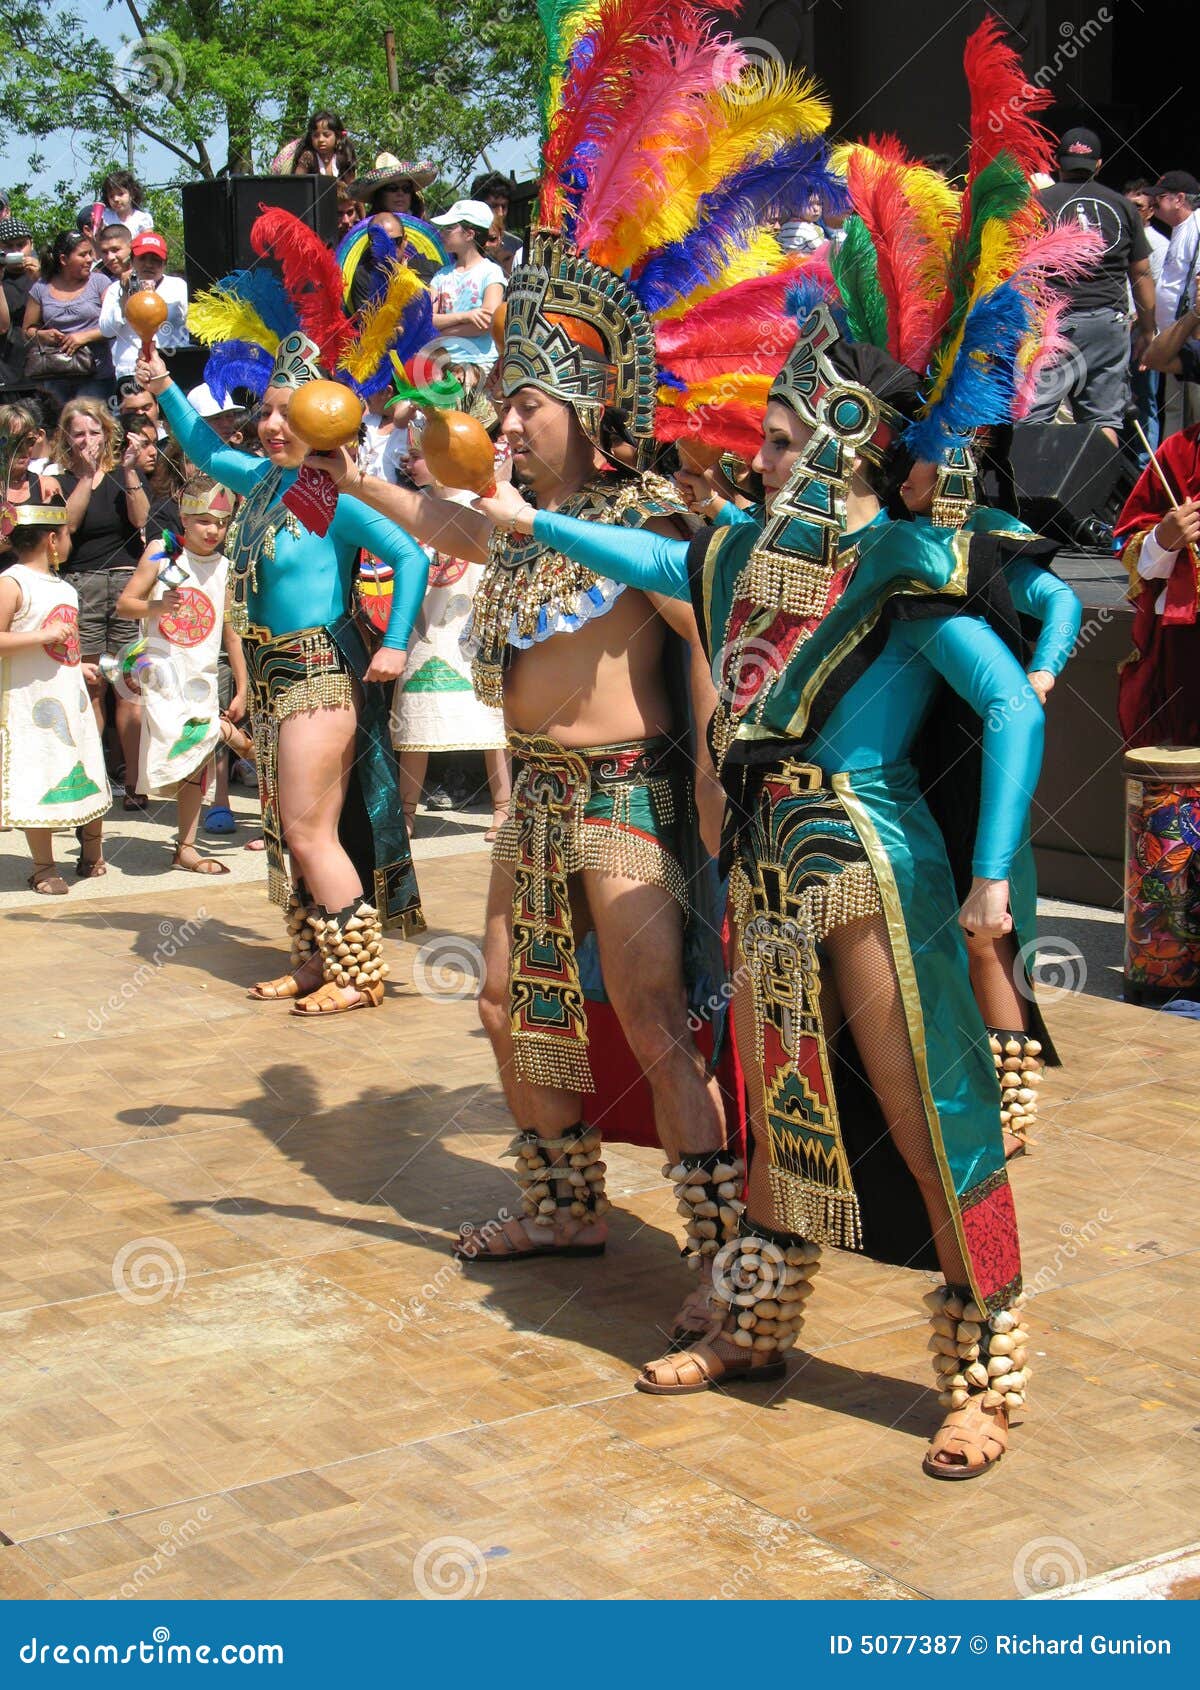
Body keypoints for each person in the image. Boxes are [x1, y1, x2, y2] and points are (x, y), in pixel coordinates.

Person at [469, 16, 1068, 1479]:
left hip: (870, 853)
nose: (774, 449)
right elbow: (642, 547)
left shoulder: (899, 565)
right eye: (777, 429)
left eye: (800, 431)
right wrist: (531, 520)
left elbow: (1010, 701)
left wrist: (993, 881)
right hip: (768, 869)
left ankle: (984, 1364)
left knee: (926, 1117)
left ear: (854, 442)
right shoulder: (735, 554)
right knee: (778, 1126)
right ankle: (751, 1323)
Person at [310, 3, 844, 1346]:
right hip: (534, 801)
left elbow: (701, 612)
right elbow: (438, 521)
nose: (505, 421)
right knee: (503, 1001)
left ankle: (728, 1262)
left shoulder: (659, 518)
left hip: (629, 793)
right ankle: (565, 1201)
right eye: (506, 406)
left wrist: (725, 803)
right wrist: (347, 473)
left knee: (662, 1020)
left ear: (591, 413)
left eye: (527, 407)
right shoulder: (510, 510)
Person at [141, 206, 433, 1013]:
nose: (272, 424)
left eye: (288, 412)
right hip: (271, 679)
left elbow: (409, 553)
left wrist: (397, 642)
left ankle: (359, 973)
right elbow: (201, 451)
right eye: (266, 410)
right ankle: (314, 959)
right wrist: (162, 382)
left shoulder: (328, 491)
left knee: (310, 829)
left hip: (317, 674)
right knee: (291, 832)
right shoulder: (264, 484)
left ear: (321, 420)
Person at [387, 354, 510, 840]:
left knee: (490, 722)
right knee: (414, 721)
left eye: (417, 456)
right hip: (425, 628)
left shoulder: (483, 503)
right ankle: (407, 810)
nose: (407, 462)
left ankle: (504, 807)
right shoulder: (413, 509)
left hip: (472, 629)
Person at [115, 475, 253, 873]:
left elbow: (232, 633)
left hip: (201, 672)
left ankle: (186, 846)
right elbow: (126, 603)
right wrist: (157, 606)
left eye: (221, 523)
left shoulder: (227, 567)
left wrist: (241, 687)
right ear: (185, 518)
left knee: (194, 759)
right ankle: (227, 733)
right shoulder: (163, 552)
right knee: (187, 733)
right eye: (204, 521)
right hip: (162, 668)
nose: (213, 530)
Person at [0, 494, 110, 891]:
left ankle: (92, 852)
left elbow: (62, 644)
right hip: (31, 701)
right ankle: (44, 866)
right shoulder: (11, 582)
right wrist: (43, 635)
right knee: (42, 770)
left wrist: (76, 664)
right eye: (64, 535)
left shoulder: (64, 587)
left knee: (86, 765)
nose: (68, 541)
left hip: (70, 692)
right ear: (51, 539)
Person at [54, 396, 150, 813]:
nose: (88, 440)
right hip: (82, 584)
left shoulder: (121, 474)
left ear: (107, 433)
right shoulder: (57, 480)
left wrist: (126, 470)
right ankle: (93, 778)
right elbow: (67, 526)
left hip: (126, 583)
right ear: (67, 438)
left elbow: (142, 519)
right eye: (79, 433)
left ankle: (133, 780)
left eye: (94, 432)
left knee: (130, 687)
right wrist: (87, 476)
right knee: (91, 686)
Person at [1029, 128, 1155, 446]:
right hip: (1107, 324)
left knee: (1034, 418)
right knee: (1103, 420)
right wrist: (1148, 330)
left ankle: (1030, 494)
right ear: (1098, 164)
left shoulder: (1036, 204)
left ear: (1058, 163)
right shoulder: (1123, 207)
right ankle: (1097, 496)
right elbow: (1141, 274)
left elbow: (1016, 269)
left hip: (1053, 325)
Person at [21, 231, 111, 403]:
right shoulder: (41, 287)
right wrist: (42, 335)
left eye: (90, 254)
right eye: (83, 255)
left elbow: (115, 325)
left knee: (90, 422)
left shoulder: (100, 282)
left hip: (96, 374)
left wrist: (83, 337)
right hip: (55, 374)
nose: (90, 259)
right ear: (63, 259)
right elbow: (26, 331)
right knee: (60, 424)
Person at [99, 231, 189, 382]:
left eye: (155, 260)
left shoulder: (179, 286)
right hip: (131, 370)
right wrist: (124, 298)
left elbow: (191, 325)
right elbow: (106, 331)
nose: (148, 265)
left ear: (165, 263)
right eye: (142, 259)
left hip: (171, 364)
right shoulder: (116, 289)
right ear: (132, 261)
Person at [428, 200, 505, 368]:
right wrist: (465, 316)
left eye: (449, 228)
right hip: (441, 364)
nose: (442, 233)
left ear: (469, 234)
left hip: (480, 364)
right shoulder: (441, 275)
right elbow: (428, 320)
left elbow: (486, 322)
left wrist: (440, 334)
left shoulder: (491, 272)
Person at [1152, 170, 1200, 436]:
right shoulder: (1180, 229)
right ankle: (1173, 474)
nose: (1153, 202)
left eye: (1159, 197)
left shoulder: (1197, 226)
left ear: (1180, 198)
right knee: (1175, 413)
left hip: (1191, 341)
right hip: (1176, 339)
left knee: (1194, 412)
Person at [1, 400, 62, 550]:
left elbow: (62, 552)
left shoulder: (47, 486)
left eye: (29, 441)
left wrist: (51, 520)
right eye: (15, 442)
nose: (23, 449)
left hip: (35, 571)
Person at [0, 215, 39, 385]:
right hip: (6, 368)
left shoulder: (47, 275)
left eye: (21, 245)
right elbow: (2, 327)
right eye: (9, 247)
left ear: (31, 244)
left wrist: (42, 279)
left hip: (42, 368)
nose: (16, 252)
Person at [347, 155, 435, 220]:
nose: (400, 193)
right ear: (380, 195)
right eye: (392, 188)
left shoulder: (423, 229)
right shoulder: (366, 230)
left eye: (406, 189)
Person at [471, 171, 522, 275]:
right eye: (493, 206)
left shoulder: (516, 245)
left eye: (504, 206)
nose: (500, 213)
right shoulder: (464, 243)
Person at [290, 110, 356, 179]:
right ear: (310, 138)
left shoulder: (344, 156)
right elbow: (297, 183)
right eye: (316, 135)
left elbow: (351, 186)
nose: (321, 140)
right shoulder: (308, 157)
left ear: (338, 137)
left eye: (326, 135)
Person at [98, 171, 154, 240]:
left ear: (132, 194)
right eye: (111, 196)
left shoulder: (143, 219)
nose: (116, 199)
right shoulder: (104, 218)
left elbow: (148, 244)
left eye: (120, 194)